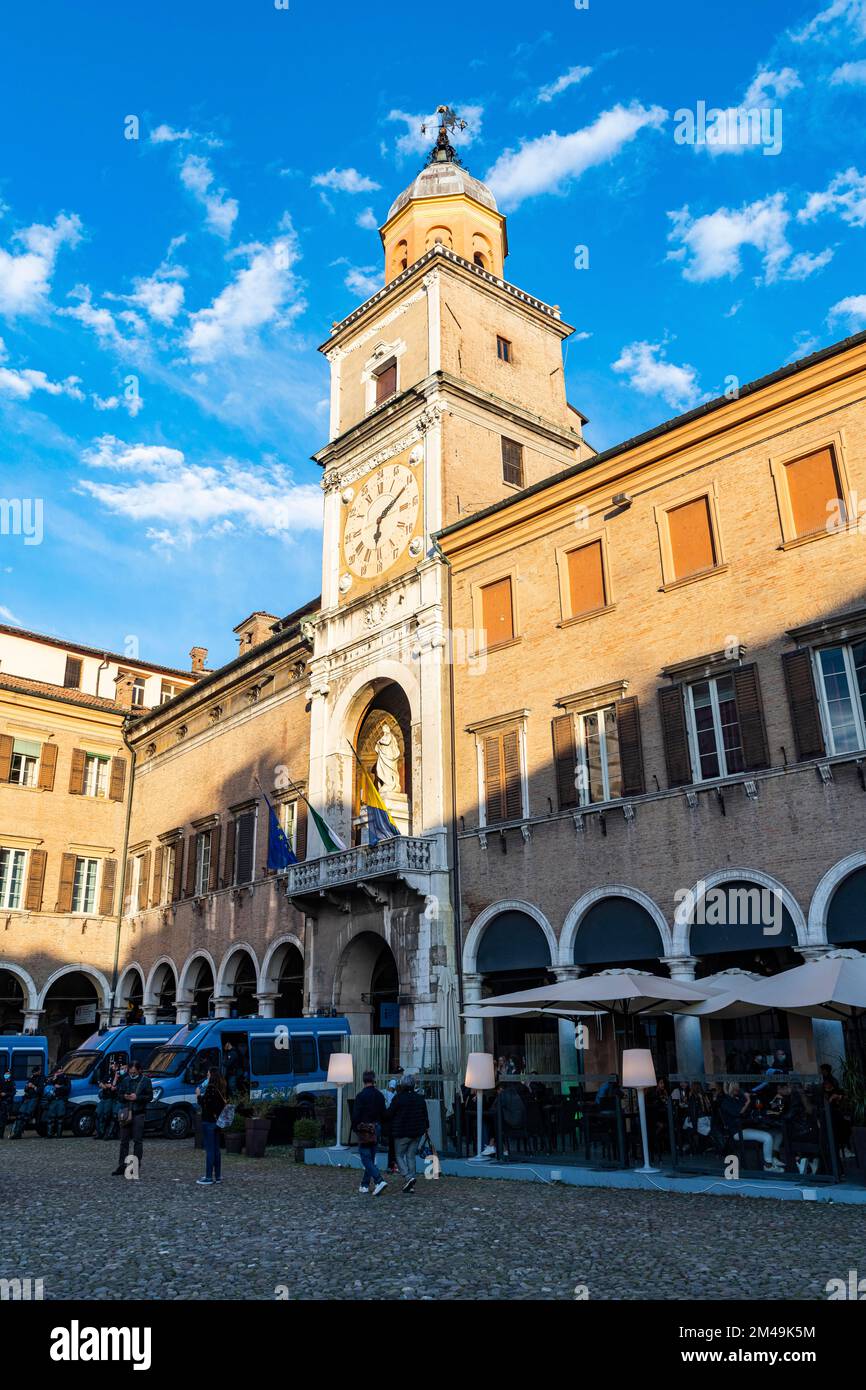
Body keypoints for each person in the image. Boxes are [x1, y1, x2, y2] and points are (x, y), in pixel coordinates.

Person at [719, 1082, 783, 1171]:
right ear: (731, 1088)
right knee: (767, 1137)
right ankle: (768, 1166)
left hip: (745, 1127)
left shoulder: (737, 1098)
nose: (739, 1089)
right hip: (737, 1132)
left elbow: (748, 1110)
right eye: (737, 1087)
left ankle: (774, 1158)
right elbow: (739, 1112)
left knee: (777, 1134)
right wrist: (748, 1100)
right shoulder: (726, 1101)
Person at [387, 1074, 429, 1192]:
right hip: (417, 1132)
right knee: (411, 1156)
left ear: (402, 1085)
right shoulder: (420, 1098)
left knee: (399, 1155)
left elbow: (389, 1113)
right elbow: (425, 1115)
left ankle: (408, 1177)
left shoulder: (398, 1098)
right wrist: (426, 1128)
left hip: (402, 1132)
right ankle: (411, 1183)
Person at [111, 1060, 153, 1177]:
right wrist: (125, 1096)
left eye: (134, 1072)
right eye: (131, 1071)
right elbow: (119, 1095)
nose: (132, 1073)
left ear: (139, 1070)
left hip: (139, 1113)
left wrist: (137, 1097)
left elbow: (150, 1097)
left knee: (137, 1141)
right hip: (126, 1113)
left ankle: (135, 1167)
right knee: (124, 1141)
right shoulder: (125, 1080)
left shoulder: (145, 1081)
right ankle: (122, 1166)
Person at [352, 1070, 387, 1195]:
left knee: (365, 1157)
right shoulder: (379, 1095)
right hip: (376, 1126)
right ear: (374, 1080)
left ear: (363, 1080)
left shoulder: (361, 1096)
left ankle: (379, 1180)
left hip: (364, 1128)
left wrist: (355, 1128)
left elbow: (356, 1115)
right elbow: (384, 1113)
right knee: (371, 1157)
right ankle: (364, 1184)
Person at [195, 1067, 227, 1186]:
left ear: (211, 1076)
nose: (206, 1077)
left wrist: (198, 1096)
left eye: (208, 1075)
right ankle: (217, 1176)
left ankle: (209, 1177)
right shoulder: (221, 1087)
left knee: (210, 1150)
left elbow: (206, 1105)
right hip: (218, 1121)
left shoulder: (211, 1089)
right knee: (216, 1150)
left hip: (209, 1121)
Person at [10, 1067, 44, 1139]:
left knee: (26, 1116)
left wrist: (33, 1086)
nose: (34, 1073)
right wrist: (27, 1086)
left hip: (34, 1099)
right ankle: (16, 1133)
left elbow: (40, 1090)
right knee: (19, 1116)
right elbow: (26, 1090)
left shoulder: (41, 1078)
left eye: (35, 1072)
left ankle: (19, 1132)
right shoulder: (31, 1078)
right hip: (27, 1098)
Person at [44, 1067, 71, 1138]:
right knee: (50, 1118)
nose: (59, 1073)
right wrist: (53, 1079)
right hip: (53, 1099)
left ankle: (59, 1135)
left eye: (61, 1072)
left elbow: (68, 1088)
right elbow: (48, 1085)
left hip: (61, 1099)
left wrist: (60, 1087)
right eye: (58, 1072)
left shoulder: (66, 1078)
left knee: (60, 1118)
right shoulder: (54, 1078)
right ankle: (49, 1134)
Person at [94, 1063, 118, 1139]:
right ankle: (99, 1133)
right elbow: (101, 1083)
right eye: (111, 1065)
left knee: (106, 1115)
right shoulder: (108, 1075)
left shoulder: (118, 1076)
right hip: (103, 1098)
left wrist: (108, 1085)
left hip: (110, 1098)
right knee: (97, 1114)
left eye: (113, 1066)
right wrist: (104, 1085)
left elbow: (112, 1086)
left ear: (117, 1067)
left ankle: (105, 1133)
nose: (111, 1067)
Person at [383, 1078, 400, 1173]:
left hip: (392, 1123)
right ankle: (393, 1165)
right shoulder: (387, 1094)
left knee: (393, 1147)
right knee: (394, 1146)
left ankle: (392, 1165)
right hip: (392, 1123)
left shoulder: (395, 1095)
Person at [0, 1066, 15, 1139]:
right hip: (1, 1101)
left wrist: (6, 1094)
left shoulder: (12, 1083)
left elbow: (13, 1092)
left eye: (8, 1073)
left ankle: (1, 1135)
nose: (7, 1074)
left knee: (2, 1119)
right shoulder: (1, 1081)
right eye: (6, 1073)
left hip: (7, 1102)